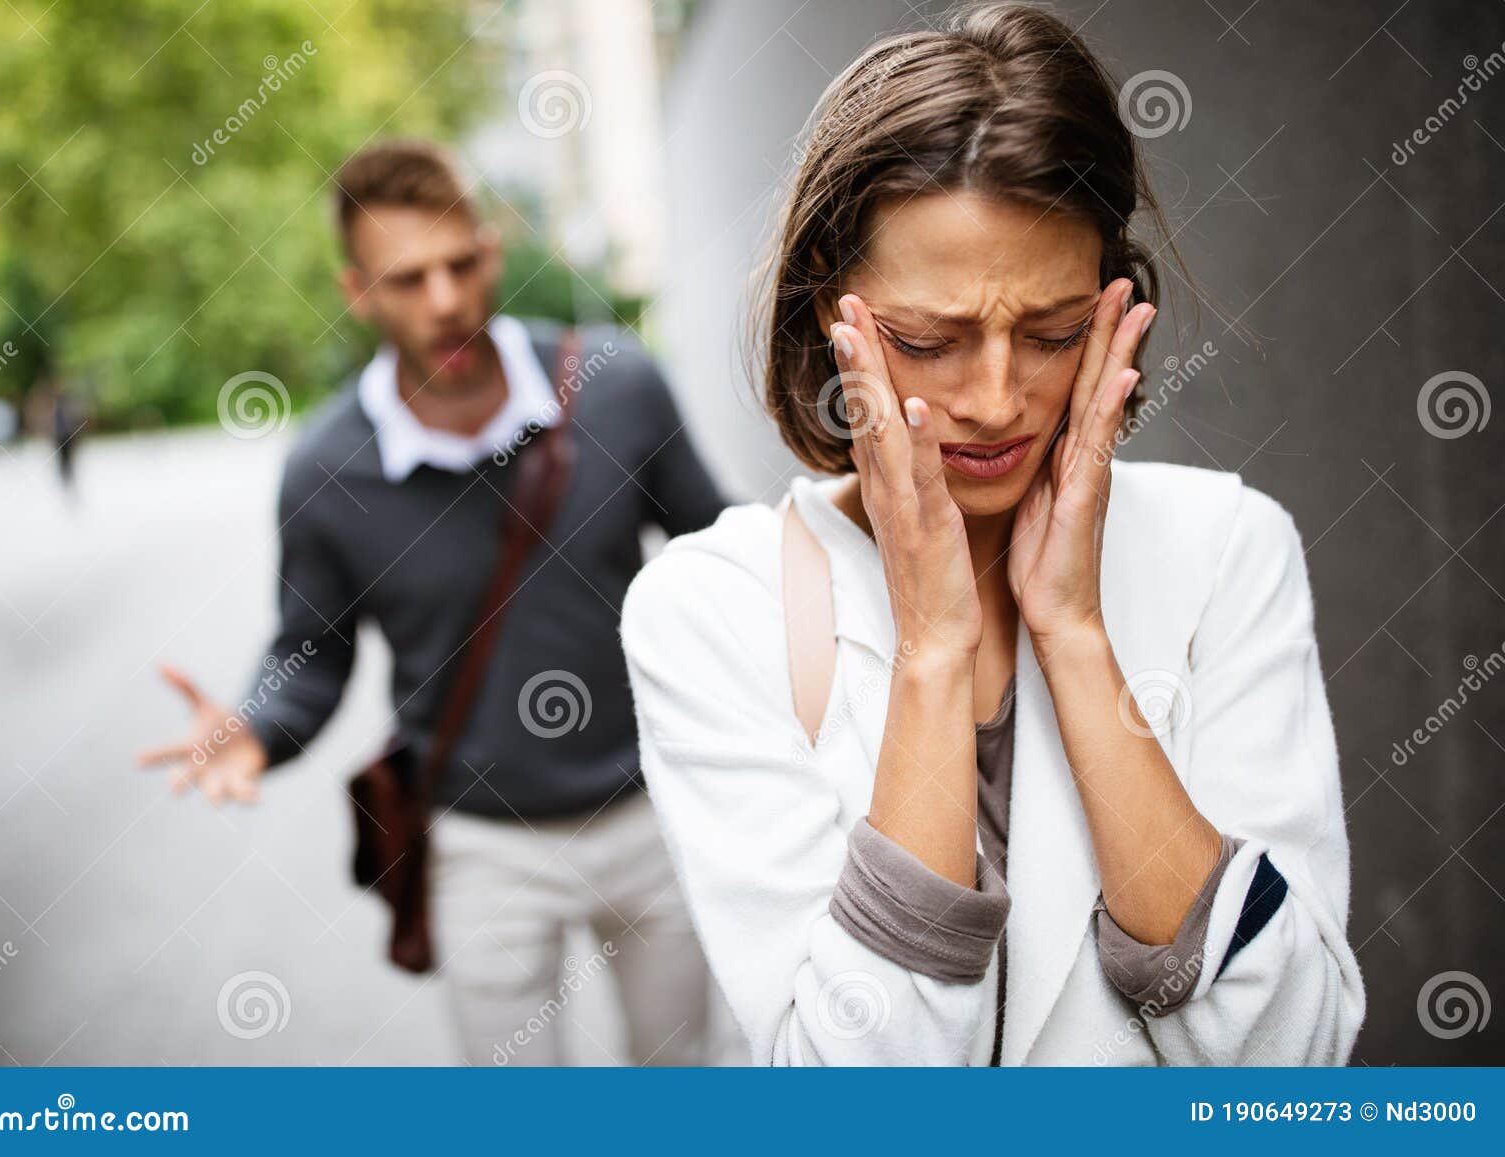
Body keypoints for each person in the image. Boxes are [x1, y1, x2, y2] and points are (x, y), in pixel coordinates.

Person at [620, 2, 1364, 1066]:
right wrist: (931, 649)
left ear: (1114, 305)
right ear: (831, 309)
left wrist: (1070, 630)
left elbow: (1292, 1055)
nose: (997, 397)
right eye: (931, 340)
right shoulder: (711, 607)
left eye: (1053, 332)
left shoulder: (1228, 549)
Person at [140, 139, 725, 1066]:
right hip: (478, 845)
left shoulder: (617, 384)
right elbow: (313, 654)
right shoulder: (325, 472)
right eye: (408, 279)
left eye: (461, 263)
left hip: (653, 813)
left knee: (685, 1083)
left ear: (491, 251)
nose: (446, 299)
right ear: (358, 291)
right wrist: (255, 728)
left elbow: (721, 555)